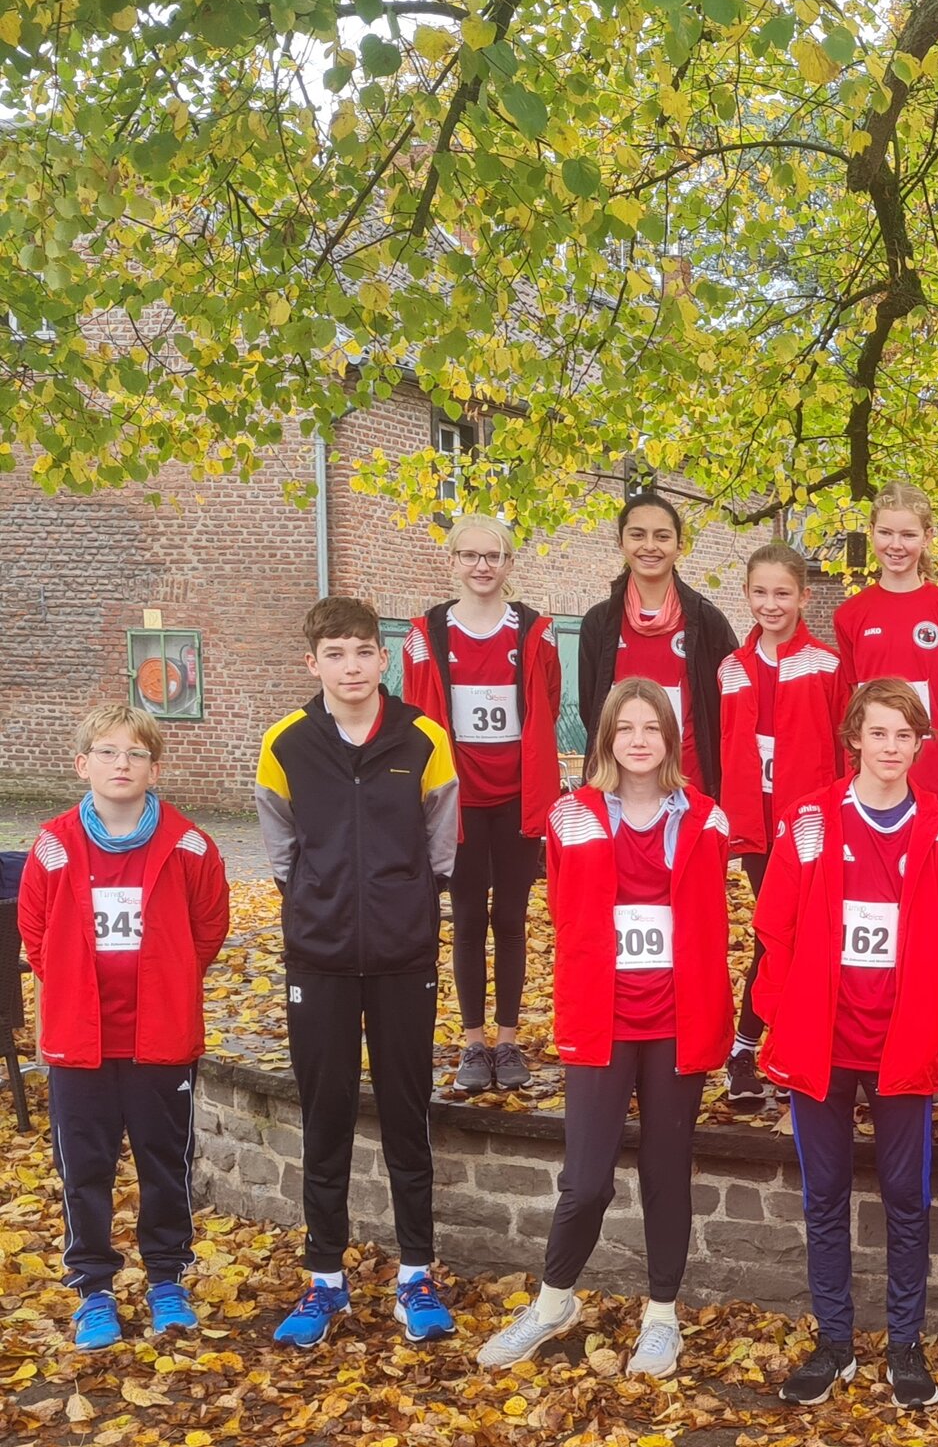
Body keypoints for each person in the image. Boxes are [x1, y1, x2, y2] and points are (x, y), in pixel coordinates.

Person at [476, 681, 732, 1378]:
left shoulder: (707, 819)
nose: (641, 739)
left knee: (665, 1174)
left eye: (654, 727)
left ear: (671, 740)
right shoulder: (571, 816)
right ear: (607, 739)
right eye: (627, 727)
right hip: (602, 1018)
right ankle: (553, 1301)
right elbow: (564, 909)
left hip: (678, 1019)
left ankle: (661, 1317)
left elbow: (712, 921)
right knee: (585, 1179)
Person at [753, 680, 938, 1409]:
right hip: (823, 1037)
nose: (888, 747)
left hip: (901, 1040)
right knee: (827, 1196)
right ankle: (835, 1341)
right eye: (876, 733)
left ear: (920, 743)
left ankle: (904, 1343)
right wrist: (775, 1010)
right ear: (855, 738)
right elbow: (774, 927)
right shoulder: (809, 819)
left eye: (902, 735)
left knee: (906, 1199)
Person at [256, 597, 460, 1348]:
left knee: (409, 1116)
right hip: (321, 957)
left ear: (384, 659)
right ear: (313, 663)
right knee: (326, 1115)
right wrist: (319, 902)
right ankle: (324, 1281)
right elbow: (280, 849)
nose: (350, 666)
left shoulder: (423, 738)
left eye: (362, 652)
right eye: (335, 653)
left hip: (405, 956)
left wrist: (405, 902)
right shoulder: (285, 744)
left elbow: (443, 846)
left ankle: (415, 1275)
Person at [19, 705, 230, 1350]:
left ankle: (167, 1279)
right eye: (108, 753)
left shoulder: (189, 843)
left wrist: (163, 979)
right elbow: (33, 932)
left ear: (154, 768)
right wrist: (77, 983)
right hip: (80, 1041)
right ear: (83, 764)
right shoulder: (54, 845)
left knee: (165, 1164)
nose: (121, 764)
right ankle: (94, 1289)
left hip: (159, 1038)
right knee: (85, 1167)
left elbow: (207, 929)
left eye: (135, 754)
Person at [402, 513, 563, 1092]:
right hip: (459, 799)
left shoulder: (535, 632)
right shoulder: (427, 633)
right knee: (467, 918)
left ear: (509, 564)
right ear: (452, 563)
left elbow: (547, 700)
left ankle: (509, 1039)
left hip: (517, 797)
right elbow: (415, 710)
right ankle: (473, 1044)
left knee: (512, 919)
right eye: (469, 556)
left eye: (493, 556)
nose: (481, 566)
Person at [716, 542, 848, 1108]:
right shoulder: (731, 668)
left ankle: (809, 1050)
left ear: (803, 597)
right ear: (747, 595)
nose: (772, 604)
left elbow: (844, 747)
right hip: (758, 832)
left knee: (815, 938)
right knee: (775, 937)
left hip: (813, 827)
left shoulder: (825, 663)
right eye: (761, 593)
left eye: (783, 593)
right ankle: (744, 1049)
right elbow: (726, 745)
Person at [577, 490, 739, 795]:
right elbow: (592, 709)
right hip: (619, 786)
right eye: (638, 535)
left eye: (662, 537)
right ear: (621, 543)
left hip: (690, 782)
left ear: (679, 546)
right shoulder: (599, 623)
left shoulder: (707, 622)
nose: (649, 546)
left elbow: (726, 710)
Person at [832, 485, 938, 803]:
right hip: (869, 774)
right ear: (871, 533)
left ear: (927, 536)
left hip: (932, 775)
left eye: (908, 535)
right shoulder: (849, 615)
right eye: (885, 533)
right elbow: (850, 697)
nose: (896, 545)